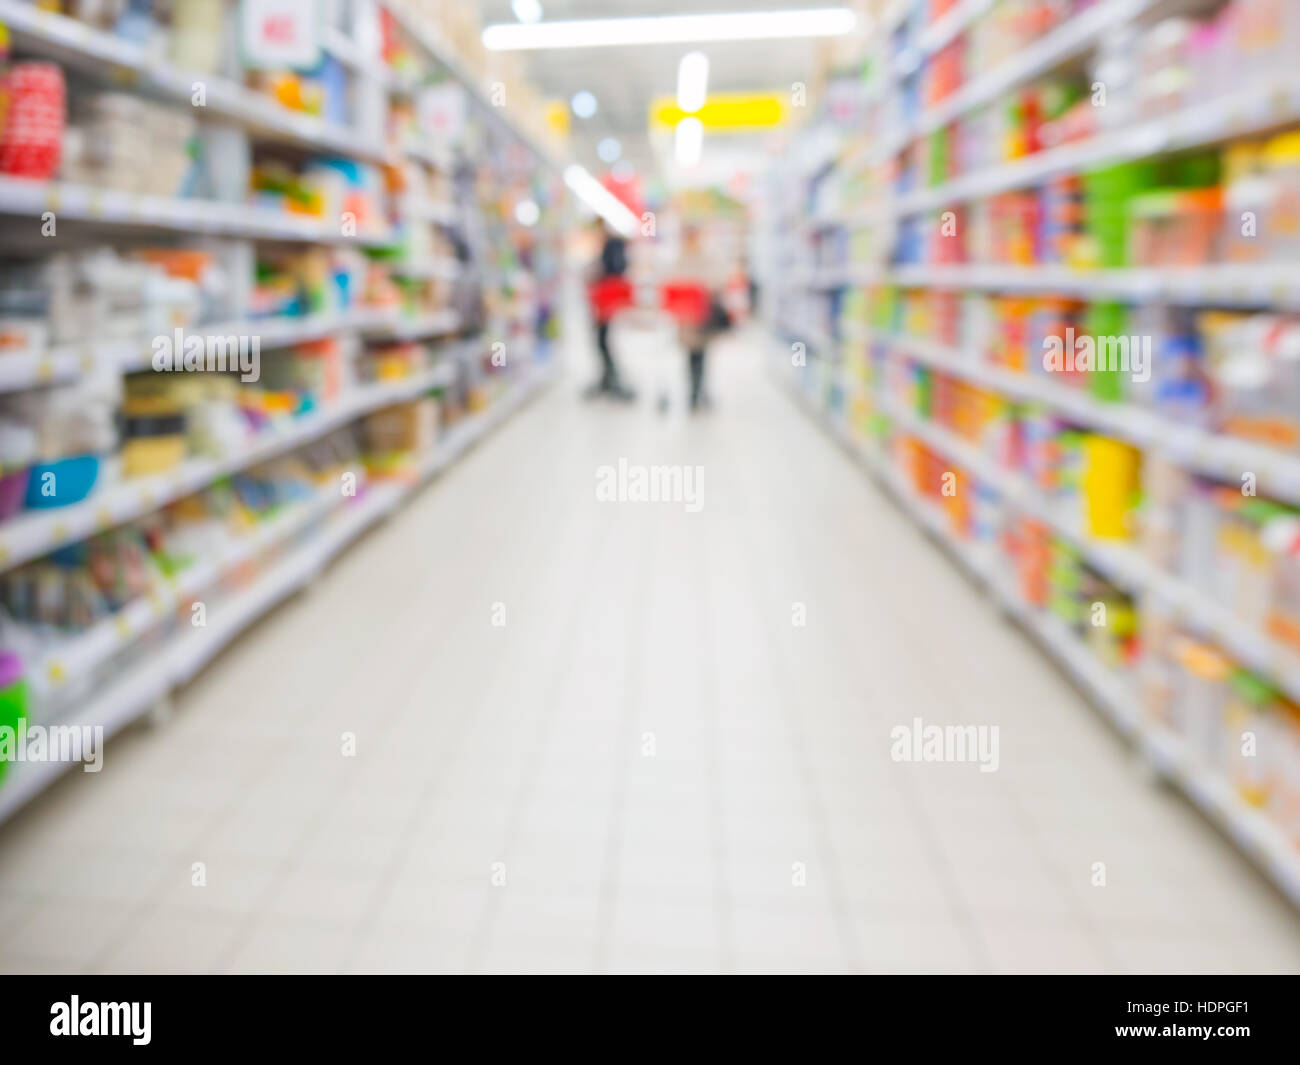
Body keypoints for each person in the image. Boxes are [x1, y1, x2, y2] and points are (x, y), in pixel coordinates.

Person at [673, 223, 729, 412]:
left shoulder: (709, 255)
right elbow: (672, 280)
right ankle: (695, 392)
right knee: (691, 355)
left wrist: (703, 288)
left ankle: (698, 392)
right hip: (687, 316)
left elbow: (719, 279)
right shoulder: (680, 256)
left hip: (704, 316)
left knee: (701, 355)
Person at [585, 223, 636, 402]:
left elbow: (615, 269)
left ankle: (611, 378)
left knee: (602, 339)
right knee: (602, 340)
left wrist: (597, 274)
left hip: (607, 297)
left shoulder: (613, 245)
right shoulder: (615, 244)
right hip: (606, 297)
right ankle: (609, 377)